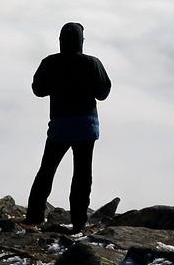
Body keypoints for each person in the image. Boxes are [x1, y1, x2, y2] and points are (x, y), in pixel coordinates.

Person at [25, 21, 112, 231]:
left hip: (60, 125)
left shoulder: (50, 63)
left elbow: (38, 89)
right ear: (81, 41)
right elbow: (103, 92)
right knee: (82, 174)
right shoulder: (92, 63)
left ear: (61, 41)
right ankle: (79, 221)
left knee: (47, 170)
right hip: (85, 125)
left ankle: (34, 216)